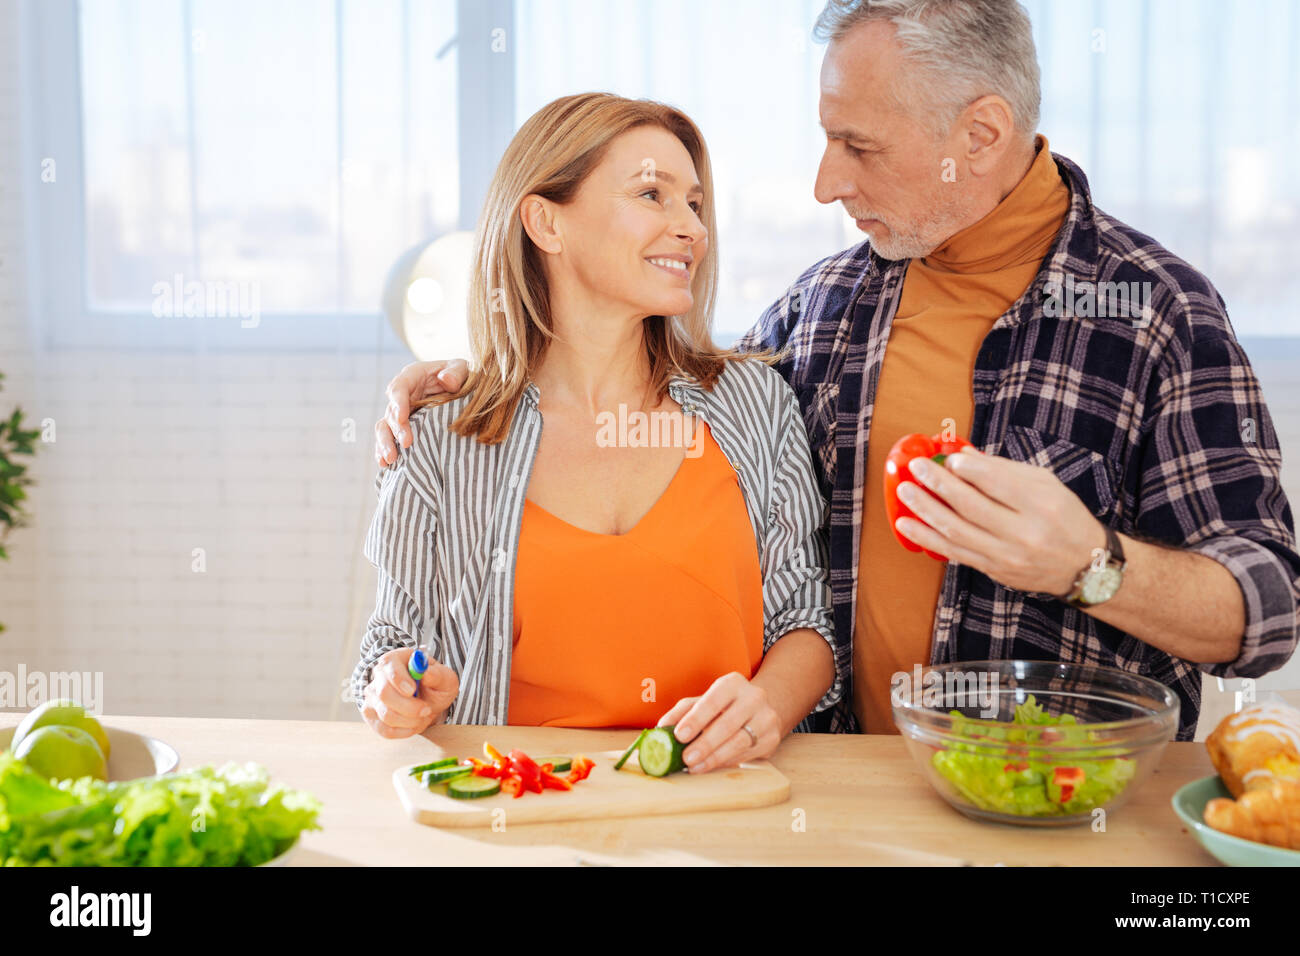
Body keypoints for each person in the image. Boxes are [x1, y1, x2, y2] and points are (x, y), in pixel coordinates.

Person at [376, 0, 1299, 742]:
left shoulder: (1155, 314)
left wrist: (1091, 568)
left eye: (860, 145)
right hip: (841, 798)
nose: (827, 181)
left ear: (979, 135)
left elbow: (1267, 612)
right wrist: (485, 376)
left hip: (1068, 811)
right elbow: (652, 371)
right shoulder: (825, 310)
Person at [353, 93, 842, 774]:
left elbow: (808, 619)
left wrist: (768, 706)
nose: (691, 229)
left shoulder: (754, 403)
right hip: (525, 813)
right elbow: (394, 638)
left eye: (695, 205)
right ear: (545, 223)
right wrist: (395, 690)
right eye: (652, 193)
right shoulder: (439, 439)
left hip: (725, 802)